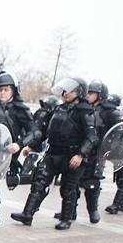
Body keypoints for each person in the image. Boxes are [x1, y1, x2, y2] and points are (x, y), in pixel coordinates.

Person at [11, 77, 97, 229]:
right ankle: (27, 214)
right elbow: (45, 131)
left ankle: (66, 219)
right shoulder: (58, 109)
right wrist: (31, 146)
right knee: (38, 183)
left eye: (71, 91)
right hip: (53, 153)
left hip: (72, 156)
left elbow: (92, 138)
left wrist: (80, 155)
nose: (66, 93)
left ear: (79, 92)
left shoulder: (85, 113)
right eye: (65, 91)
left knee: (67, 189)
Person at [0, 71, 40, 226]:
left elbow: (35, 132)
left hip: (7, 152)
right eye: (0, 89)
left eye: (6, 89)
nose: (3, 93)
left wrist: (20, 144)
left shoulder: (20, 110)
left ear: (13, 91)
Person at [71, 79, 121, 223]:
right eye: (87, 92)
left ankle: (93, 211)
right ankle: (70, 211)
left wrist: (110, 149)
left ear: (100, 95)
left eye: (91, 93)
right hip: (81, 150)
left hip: (97, 153)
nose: (88, 95)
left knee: (91, 183)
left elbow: (118, 133)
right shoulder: (83, 109)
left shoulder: (110, 112)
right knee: (73, 182)